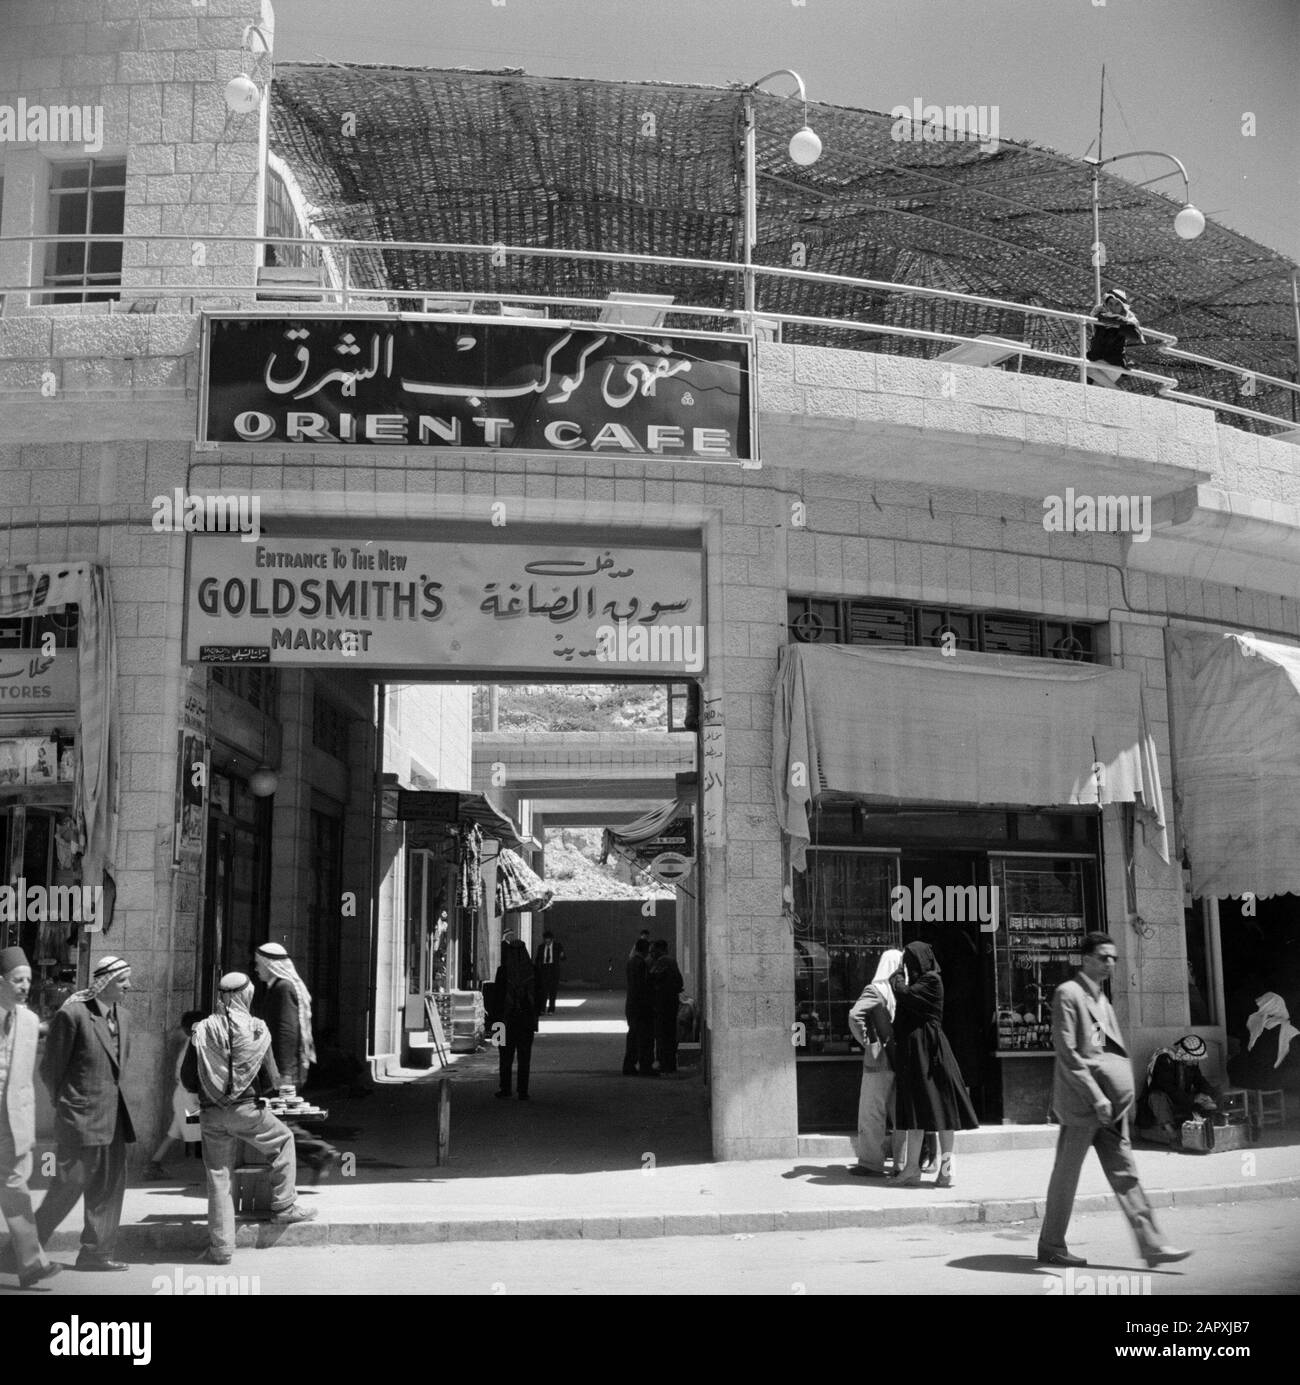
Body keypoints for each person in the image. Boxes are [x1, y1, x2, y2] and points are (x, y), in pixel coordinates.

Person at [1038, 932, 1191, 1269]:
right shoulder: (1069, 994)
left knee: (1126, 1174)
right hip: (1082, 1105)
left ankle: (1152, 1245)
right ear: (1086, 958)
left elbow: (1110, 1053)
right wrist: (1095, 1096)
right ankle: (1051, 1245)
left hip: (1111, 1108)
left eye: (1114, 958)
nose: (1110, 964)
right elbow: (1068, 1054)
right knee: (1066, 1176)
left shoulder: (1102, 1000)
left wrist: (1124, 1098)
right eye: (1104, 957)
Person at [182, 972, 317, 1266]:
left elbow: (188, 1079)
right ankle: (284, 1204)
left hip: (211, 1114)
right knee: (283, 1140)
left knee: (219, 1180)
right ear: (247, 996)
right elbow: (271, 1079)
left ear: (221, 996)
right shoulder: (257, 1029)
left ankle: (221, 1249)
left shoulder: (202, 1029)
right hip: (248, 1112)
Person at [35, 955, 136, 1272]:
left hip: (113, 1119)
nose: (128, 987)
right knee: (67, 1186)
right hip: (79, 1119)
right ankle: (23, 1253)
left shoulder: (126, 1017)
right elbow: (50, 1069)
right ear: (104, 983)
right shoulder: (73, 1015)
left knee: (108, 1188)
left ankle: (96, 1253)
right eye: (122, 981)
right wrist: (66, 1103)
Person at [889, 942, 978, 1187]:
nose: (907, 966)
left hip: (932, 1053)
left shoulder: (931, 981)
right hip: (918, 1053)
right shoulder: (921, 982)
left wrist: (896, 972)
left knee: (944, 1113)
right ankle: (911, 1169)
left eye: (909, 961)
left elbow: (903, 993)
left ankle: (946, 1171)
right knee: (916, 1111)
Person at [253, 942, 340, 1181]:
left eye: (258, 963)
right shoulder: (278, 987)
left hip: (282, 1071)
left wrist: (284, 1073)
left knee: (278, 1122)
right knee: (279, 1121)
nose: (256, 968)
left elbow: (286, 1033)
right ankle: (315, 1157)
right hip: (281, 1069)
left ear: (271, 964)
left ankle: (320, 1154)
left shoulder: (282, 988)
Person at [0, 947, 61, 1288]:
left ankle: (31, 1264)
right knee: (12, 1188)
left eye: (28, 980)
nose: (25, 986)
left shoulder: (29, 1020)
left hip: (10, 1121)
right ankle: (30, 1263)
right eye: (17, 980)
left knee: (14, 1187)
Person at [847, 948, 903, 1178]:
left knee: (872, 1112)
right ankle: (901, 1163)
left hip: (878, 1060)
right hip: (899, 1058)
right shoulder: (903, 991)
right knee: (900, 1114)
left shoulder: (874, 990)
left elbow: (854, 1016)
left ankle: (871, 1163)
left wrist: (867, 1042)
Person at [145, 1009, 206, 1181]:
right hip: (190, 1098)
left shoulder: (190, 1042)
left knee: (174, 1133)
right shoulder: (196, 1044)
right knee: (206, 1130)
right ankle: (213, 1172)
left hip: (182, 1097)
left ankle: (153, 1164)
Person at [1136, 1034, 1219, 1146]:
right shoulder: (1165, 1059)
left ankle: (1208, 1126)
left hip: (1182, 1099)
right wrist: (1193, 1098)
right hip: (1164, 1102)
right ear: (1185, 1055)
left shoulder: (1191, 1063)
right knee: (1156, 1097)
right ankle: (1172, 1136)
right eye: (1193, 1059)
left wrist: (1207, 1095)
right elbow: (1168, 1088)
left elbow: (1199, 1080)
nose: (1195, 1062)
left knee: (1215, 1091)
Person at [492, 931, 539, 1099]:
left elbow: (497, 998)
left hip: (504, 1022)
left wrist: (494, 1023)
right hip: (525, 1022)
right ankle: (523, 1091)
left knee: (505, 1056)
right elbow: (538, 999)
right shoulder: (533, 972)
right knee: (524, 1056)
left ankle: (505, 1088)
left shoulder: (502, 971)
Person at [1228, 991, 1299, 1089]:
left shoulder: (1255, 1026)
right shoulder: (1289, 1031)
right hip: (1274, 1079)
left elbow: (1244, 1051)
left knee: (1232, 1062)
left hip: (1251, 1079)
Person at [1086, 287, 1144, 385]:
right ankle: (1116, 390)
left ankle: (1116, 390)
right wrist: (1121, 321)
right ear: (1106, 304)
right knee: (1093, 386)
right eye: (1110, 304)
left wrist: (1121, 323)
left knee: (1089, 372)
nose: (1113, 307)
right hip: (1096, 359)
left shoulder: (1129, 320)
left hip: (1113, 362)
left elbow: (1136, 335)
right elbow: (1101, 317)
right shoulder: (1099, 313)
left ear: (1123, 306)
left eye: (1117, 304)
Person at [648, 939, 684, 1075]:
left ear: (659, 949)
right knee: (670, 1034)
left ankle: (664, 1064)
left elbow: (652, 977)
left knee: (662, 1034)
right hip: (671, 1002)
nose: (651, 953)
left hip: (662, 1003)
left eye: (653, 951)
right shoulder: (672, 961)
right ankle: (671, 1064)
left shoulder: (662, 961)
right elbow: (680, 981)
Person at [623, 937, 655, 1076]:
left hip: (632, 1004)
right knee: (643, 1037)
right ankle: (643, 1066)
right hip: (639, 1005)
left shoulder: (631, 961)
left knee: (634, 1036)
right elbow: (641, 985)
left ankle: (630, 1065)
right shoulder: (640, 963)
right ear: (646, 950)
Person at [536, 930, 565, 1015]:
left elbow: (563, 958)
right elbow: (538, 959)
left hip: (554, 969)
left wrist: (562, 955)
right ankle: (542, 1009)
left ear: (552, 939)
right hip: (544, 969)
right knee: (543, 991)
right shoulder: (541, 947)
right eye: (546, 940)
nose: (547, 942)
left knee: (553, 990)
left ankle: (551, 1009)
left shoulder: (558, 946)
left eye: (549, 940)